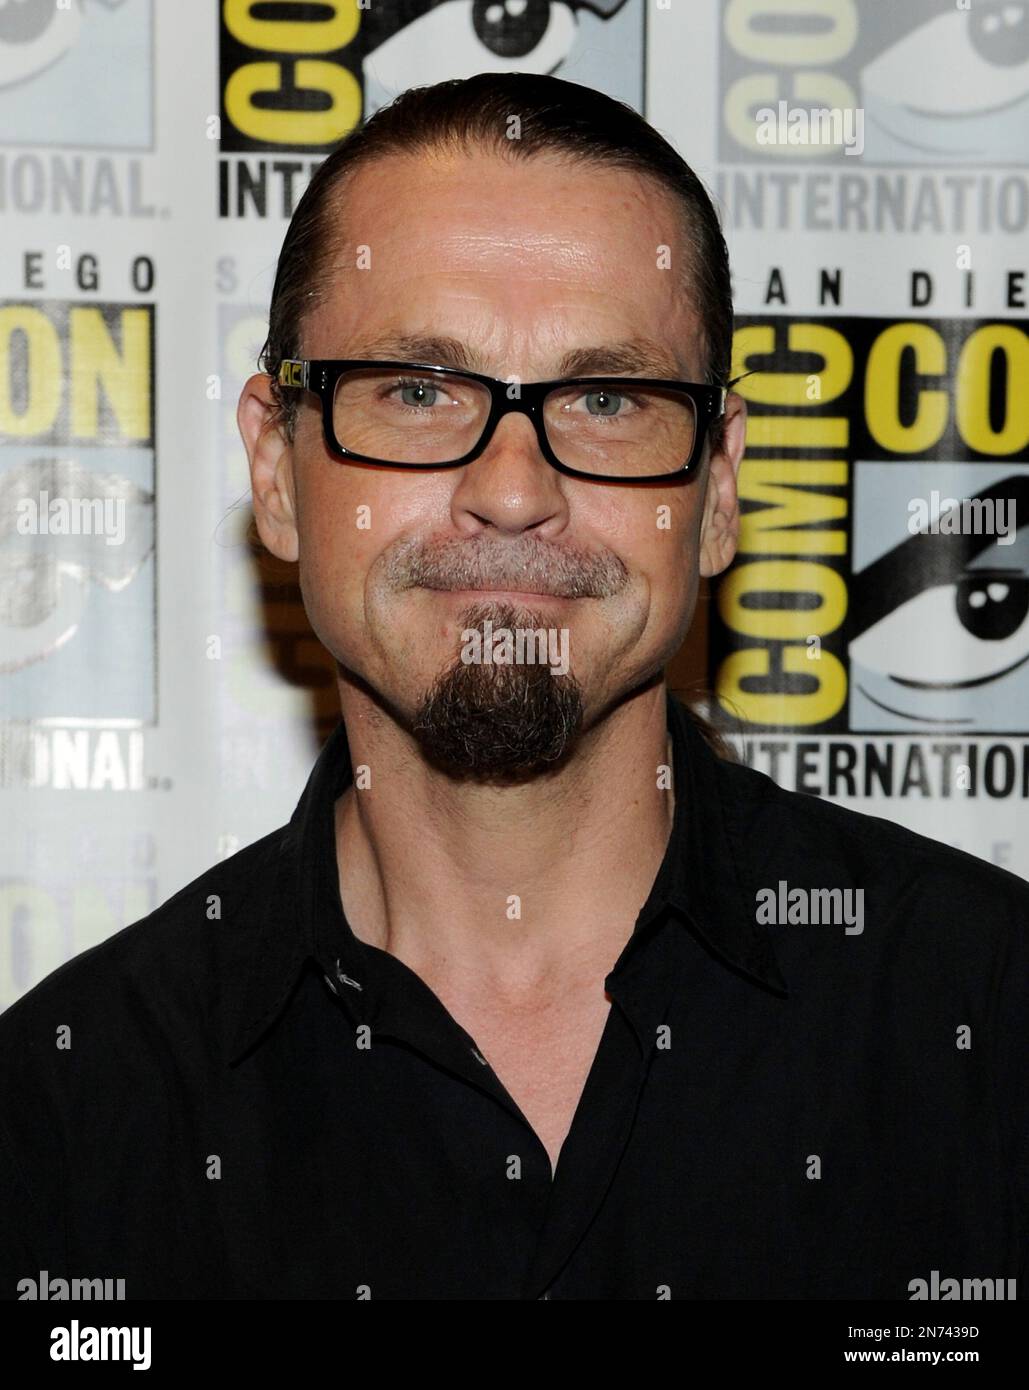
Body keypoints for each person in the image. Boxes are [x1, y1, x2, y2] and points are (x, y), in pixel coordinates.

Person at [1, 73, 1026, 1302]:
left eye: (607, 399)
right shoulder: (65, 1114)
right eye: (421, 393)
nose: (514, 487)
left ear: (720, 487)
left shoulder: (991, 1025)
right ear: (278, 466)